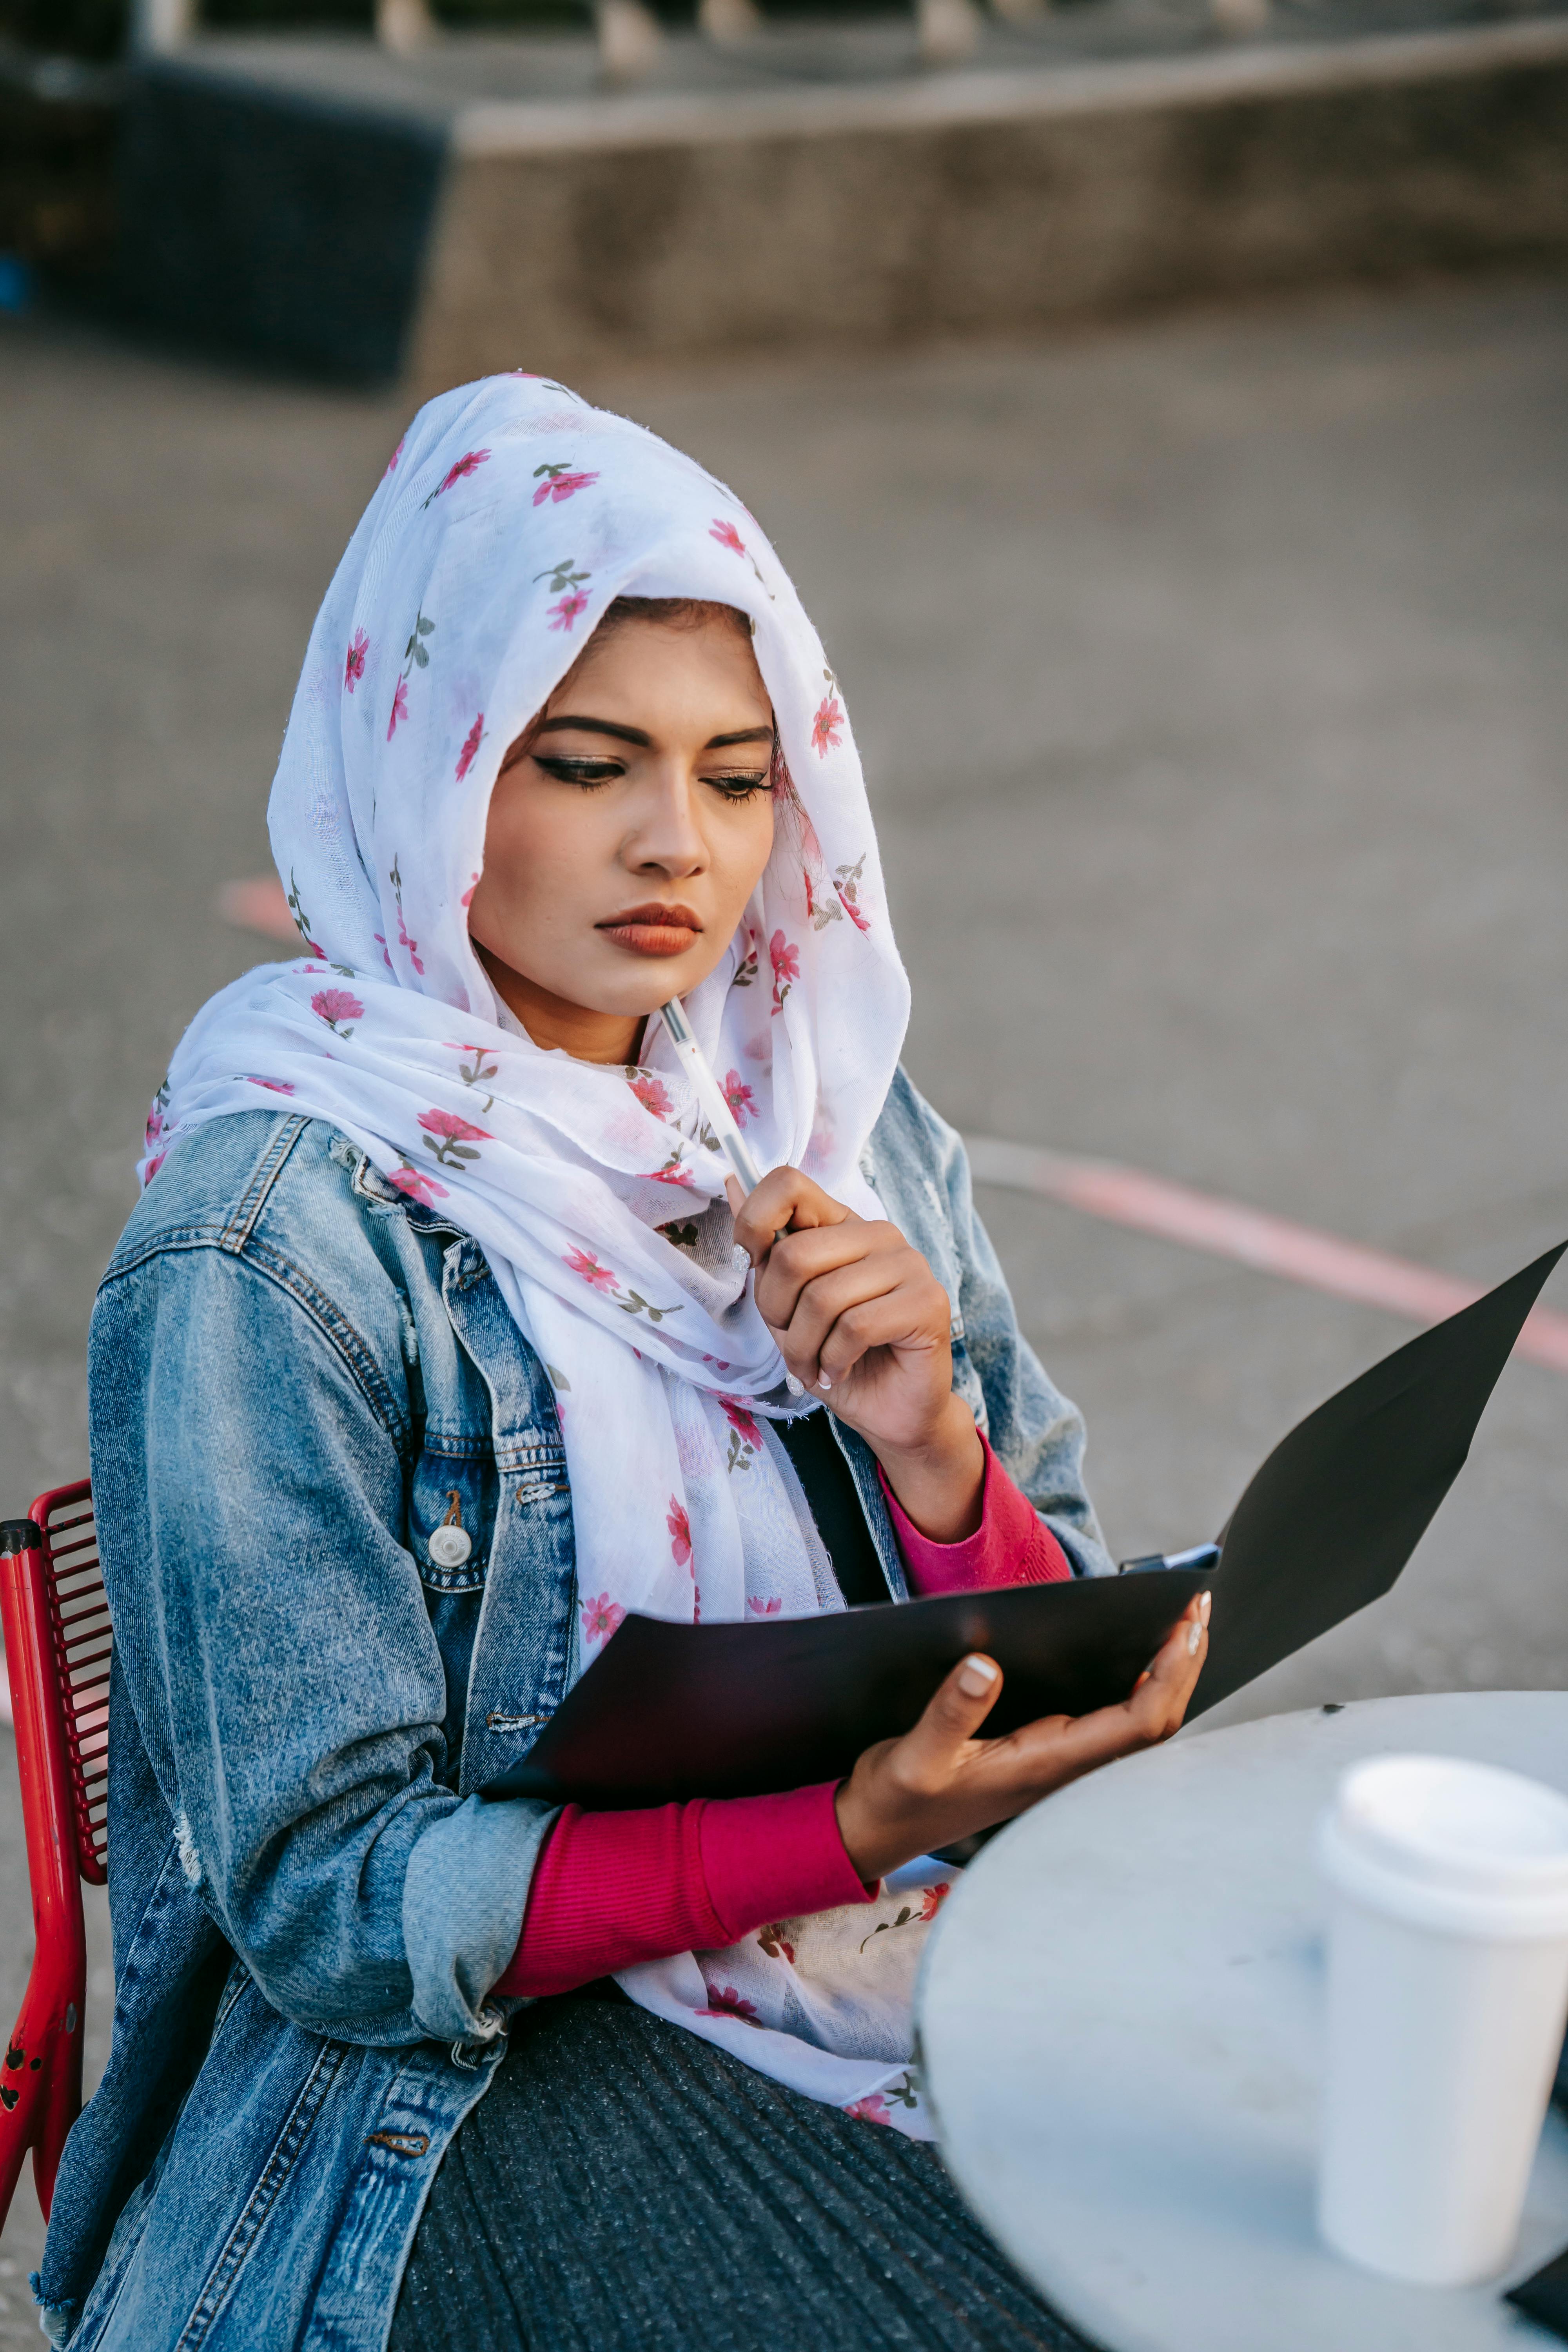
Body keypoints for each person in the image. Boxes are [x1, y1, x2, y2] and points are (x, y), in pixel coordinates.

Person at [35, 375, 1209, 2352]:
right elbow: (333, 1913)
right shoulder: (263, 1238)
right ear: (428, 765)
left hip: (868, 1942)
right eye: (588, 764)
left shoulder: (833, 1117)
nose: (681, 844)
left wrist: (938, 1468)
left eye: (740, 777)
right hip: (430, 2097)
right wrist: (839, 1832)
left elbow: (1053, 1638)